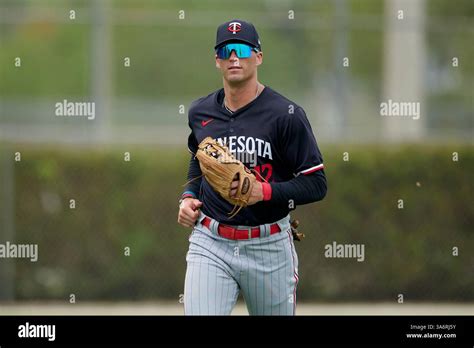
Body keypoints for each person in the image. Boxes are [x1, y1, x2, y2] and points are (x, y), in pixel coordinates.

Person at [177, 19, 327, 315]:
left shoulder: (287, 115)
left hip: (268, 246)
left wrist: (264, 192)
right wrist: (188, 196)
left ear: (258, 56)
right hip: (211, 241)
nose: (235, 56)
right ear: (217, 60)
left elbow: (316, 184)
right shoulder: (201, 112)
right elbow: (199, 160)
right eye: (226, 50)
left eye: (243, 49)